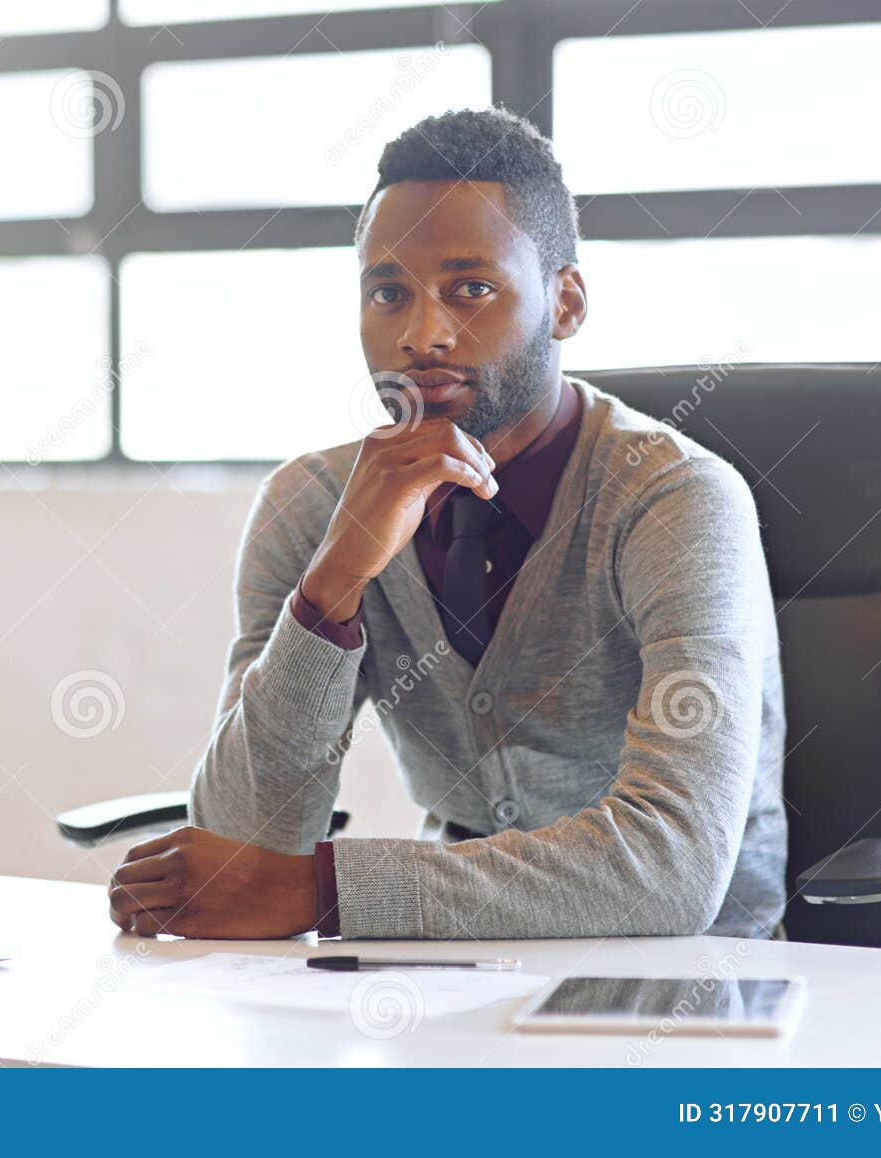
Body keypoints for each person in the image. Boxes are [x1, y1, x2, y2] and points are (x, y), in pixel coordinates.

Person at [107, 105, 787, 942]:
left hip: (690, 983)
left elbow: (674, 870)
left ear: (565, 303)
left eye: (472, 288)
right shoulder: (311, 503)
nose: (422, 334)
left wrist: (327, 893)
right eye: (388, 293)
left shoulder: (677, 501)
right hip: (444, 971)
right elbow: (244, 847)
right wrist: (334, 582)